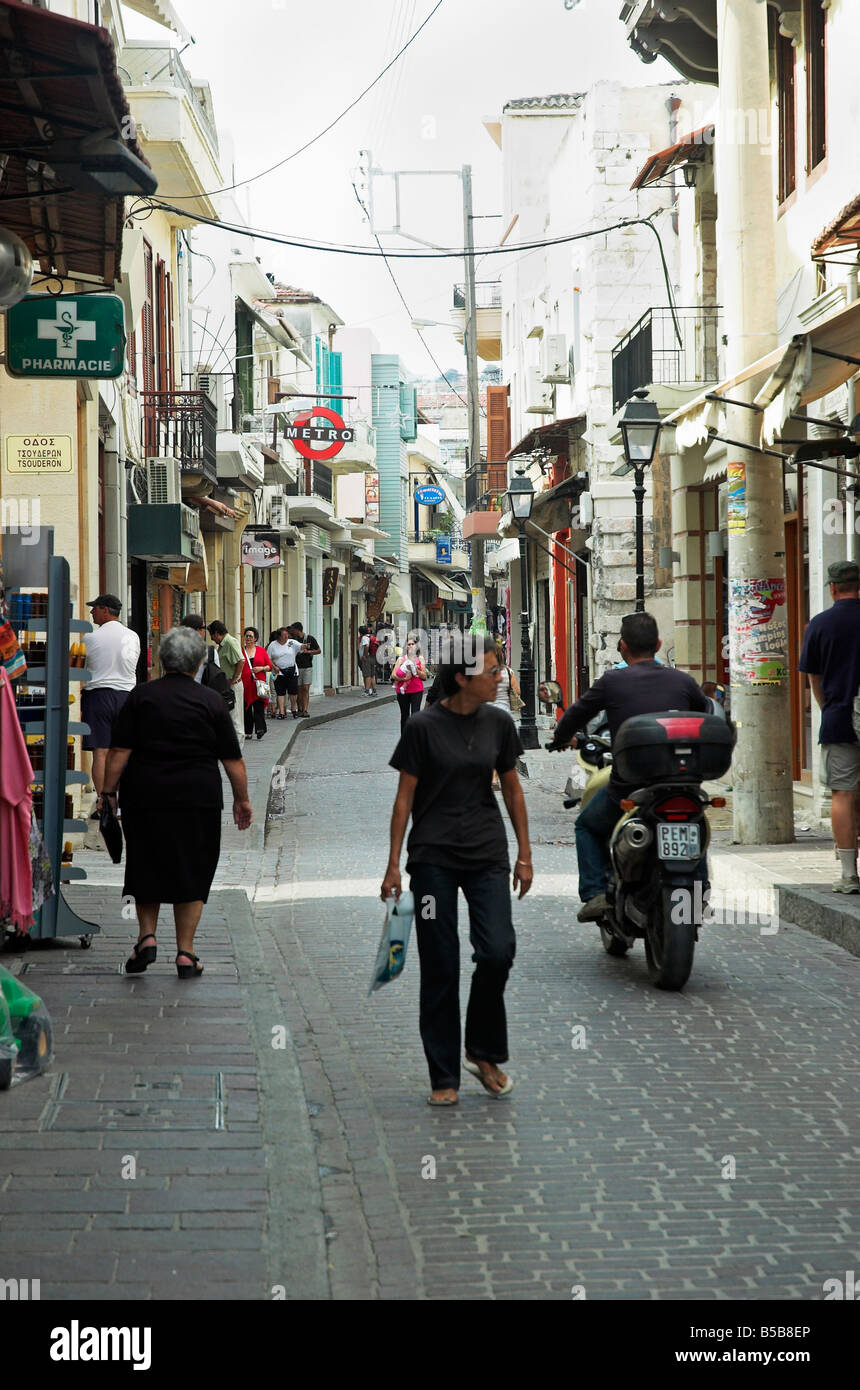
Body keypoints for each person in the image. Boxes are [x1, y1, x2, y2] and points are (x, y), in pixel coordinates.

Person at [381, 633, 534, 1107]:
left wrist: (525, 855)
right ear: (464, 677)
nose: (499, 677)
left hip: (487, 854)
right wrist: (392, 866)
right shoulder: (423, 728)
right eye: (492, 670)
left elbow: (512, 790)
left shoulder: (498, 724)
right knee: (441, 963)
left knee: (497, 951)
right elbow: (404, 799)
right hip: (433, 860)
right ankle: (443, 1072)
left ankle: (482, 1051)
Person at [100, 626, 252, 979]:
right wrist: (242, 801)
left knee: (145, 864)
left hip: (146, 796)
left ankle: (147, 937)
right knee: (194, 869)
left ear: (161, 660)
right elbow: (232, 759)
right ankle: (186, 951)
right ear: (199, 661)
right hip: (197, 797)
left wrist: (108, 793)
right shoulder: (211, 701)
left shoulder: (141, 697)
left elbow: (120, 751)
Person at [550, 612, 711, 922]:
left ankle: (596, 893)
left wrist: (561, 737)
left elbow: (575, 714)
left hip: (629, 785)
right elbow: (706, 713)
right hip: (681, 781)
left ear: (622, 647)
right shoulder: (683, 680)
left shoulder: (612, 681)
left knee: (586, 825)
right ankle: (700, 892)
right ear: (659, 644)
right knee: (695, 823)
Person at [798, 560, 860, 893]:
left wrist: (828, 708)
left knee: (843, 793)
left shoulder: (820, 625)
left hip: (839, 716)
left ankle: (849, 874)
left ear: (833, 588)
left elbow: (814, 677)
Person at [81, 594, 140, 805]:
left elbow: (81, 667)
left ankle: (103, 801)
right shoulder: (133, 636)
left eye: (94, 608)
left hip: (98, 696)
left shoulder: (90, 638)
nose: (91, 612)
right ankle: (124, 800)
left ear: (105, 610)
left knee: (101, 751)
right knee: (122, 750)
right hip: (126, 696)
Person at [207, 621, 245, 746]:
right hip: (227, 685)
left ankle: (238, 749)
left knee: (235, 718)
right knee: (229, 717)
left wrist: (233, 680)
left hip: (233, 685)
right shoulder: (223, 644)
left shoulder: (230, 642)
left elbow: (241, 661)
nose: (212, 638)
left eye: (212, 635)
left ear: (217, 633)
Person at [241, 626, 273, 739]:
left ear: (255, 638)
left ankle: (260, 729)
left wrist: (261, 668)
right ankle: (248, 731)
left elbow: (270, 666)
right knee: (246, 709)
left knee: (258, 708)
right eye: (246, 636)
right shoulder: (241, 650)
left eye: (250, 636)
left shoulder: (261, 651)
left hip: (258, 684)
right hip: (245, 684)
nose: (248, 638)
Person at [393, 637, 428, 734]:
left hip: (416, 690)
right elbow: (393, 675)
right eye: (409, 644)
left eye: (413, 644)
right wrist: (404, 679)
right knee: (404, 715)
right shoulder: (401, 659)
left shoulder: (420, 659)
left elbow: (424, 676)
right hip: (402, 691)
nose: (411, 646)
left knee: (415, 715)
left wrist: (415, 669)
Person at [266, 625, 301, 718]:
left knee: (293, 692)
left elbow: (301, 647)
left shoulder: (291, 643)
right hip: (279, 671)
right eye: (284, 635)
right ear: (279, 636)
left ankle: (294, 708)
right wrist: (274, 666)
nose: (286, 637)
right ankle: (281, 712)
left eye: (287, 634)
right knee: (280, 692)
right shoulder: (273, 645)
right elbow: (268, 658)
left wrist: (306, 646)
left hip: (292, 670)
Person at [288, 621, 321, 717]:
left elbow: (319, 650)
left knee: (305, 688)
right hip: (296, 667)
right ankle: (300, 708)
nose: (292, 632)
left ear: (297, 630)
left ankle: (305, 709)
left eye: (293, 630)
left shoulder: (309, 638)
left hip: (307, 666)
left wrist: (309, 651)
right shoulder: (293, 640)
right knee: (298, 689)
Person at [358, 625, 378, 696]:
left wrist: (364, 655)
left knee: (367, 675)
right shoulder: (371, 637)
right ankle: (374, 691)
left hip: (367, 658)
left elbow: (366, 646)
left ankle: (367, 691)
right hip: (373, 657)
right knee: (372, 675)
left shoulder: (364, 637)